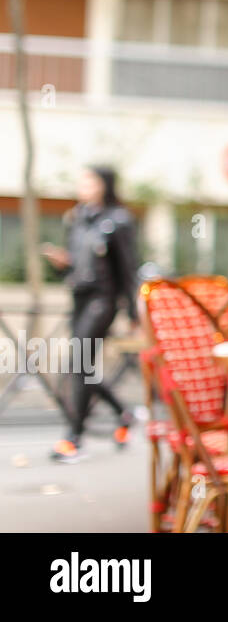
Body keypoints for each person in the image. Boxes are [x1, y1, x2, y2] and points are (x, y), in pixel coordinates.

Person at [40, 166, 140, 462]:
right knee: (80, 366)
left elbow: (127, 269)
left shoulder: (119, 221)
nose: (82, 185)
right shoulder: (77, 217)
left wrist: (133, 312)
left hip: (103, 300)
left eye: (89, 180)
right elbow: (77, 264)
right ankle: (123, 414)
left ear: (104, 184)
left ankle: (74, 438)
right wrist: (63, 263)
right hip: (80, 297)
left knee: (79, 364)